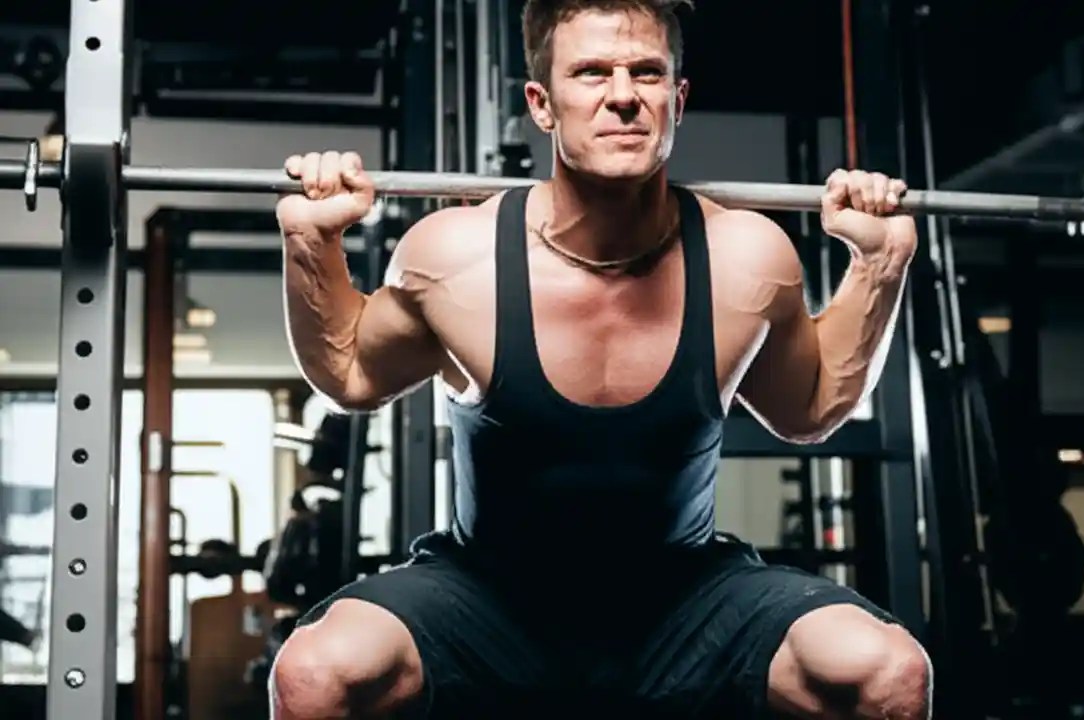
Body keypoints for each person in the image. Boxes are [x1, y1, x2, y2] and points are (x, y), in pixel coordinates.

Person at [269, 0, 930, 717]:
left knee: (889, 673)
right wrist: (311, 245)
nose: (623, 95)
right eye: (590, 73)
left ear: (677, 100)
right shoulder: (456, 256)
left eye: (646, 72)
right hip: (485, 597)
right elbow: (351, 376)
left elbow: (810, 409)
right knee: (313, 674)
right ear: (542, 104)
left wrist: (880, 263)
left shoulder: (747, 256)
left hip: (685, 600)